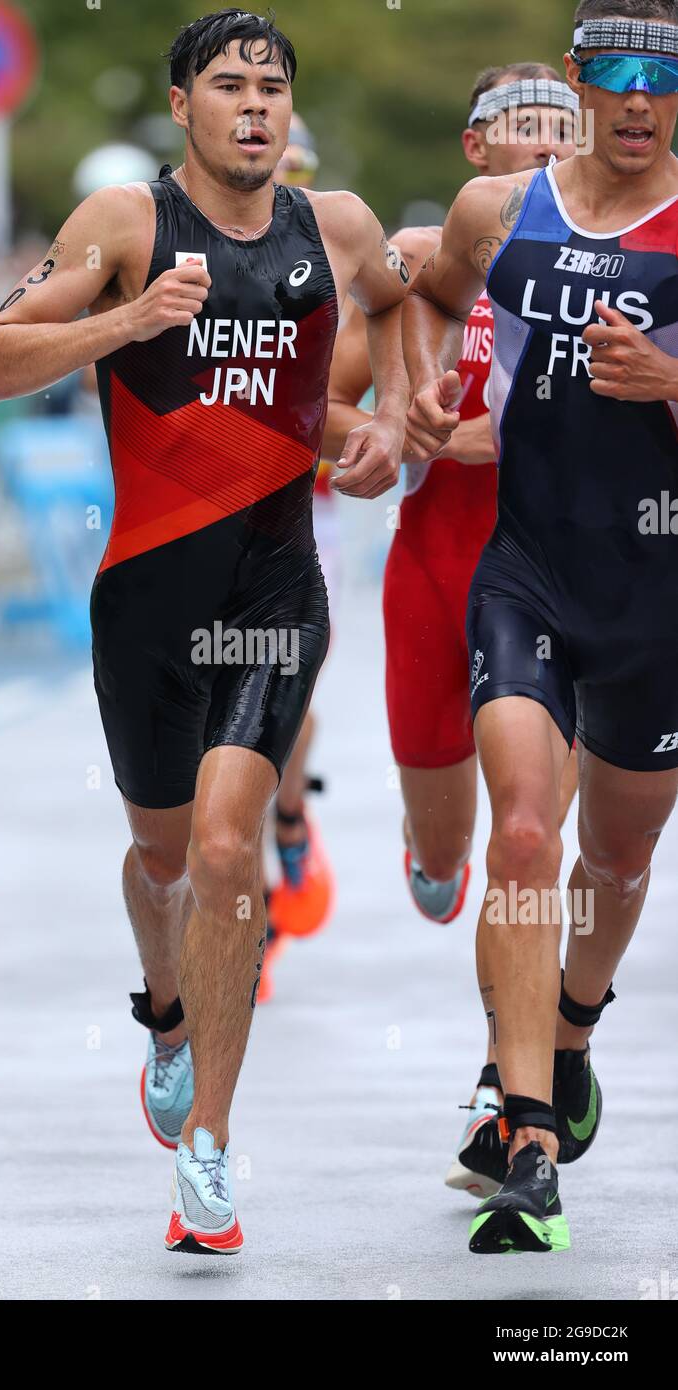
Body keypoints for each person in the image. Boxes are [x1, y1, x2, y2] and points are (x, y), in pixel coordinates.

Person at [0, 7, 409, 1255]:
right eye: (227, 86)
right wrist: (127, 321)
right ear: (181, 107)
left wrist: (385, 421)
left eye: (271, 86)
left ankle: (208, 1150)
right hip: (148, 600)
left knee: (224, 851)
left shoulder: (339, 226)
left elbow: (396, 306)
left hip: (275, 592)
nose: (253, 106)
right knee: (161, 859)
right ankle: (163, 1011)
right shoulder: (124, 226)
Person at [404, 0, 678, 1253]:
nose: (640, 98)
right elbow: (427, 296)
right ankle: (523, 1137)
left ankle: (566, 1040)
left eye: (663, 76)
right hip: (525, 574)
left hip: (655, 596)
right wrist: (418, 395)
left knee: (613, 860)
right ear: (577, 81)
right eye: (616, 71)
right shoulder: (497, 210)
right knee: (521, 829)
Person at [324, 65, 579, 1197]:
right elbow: (321, 398)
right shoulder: (430, 266)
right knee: (448, 855)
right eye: (523, 132)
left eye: (562, 133)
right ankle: (427, 852)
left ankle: (502, 1087)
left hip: (554, 589)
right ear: (477, 153)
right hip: (435, 582)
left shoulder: (612, 267)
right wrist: (398, 424)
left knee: (527, 839)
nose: (546, 150)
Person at [259, 111, 338, 1003]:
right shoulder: (180, 248)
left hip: (305, 522)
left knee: (288, 695)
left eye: (297, 167)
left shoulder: (330, 253)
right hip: (204, 522)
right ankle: (243, 929)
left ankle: (289, 815)